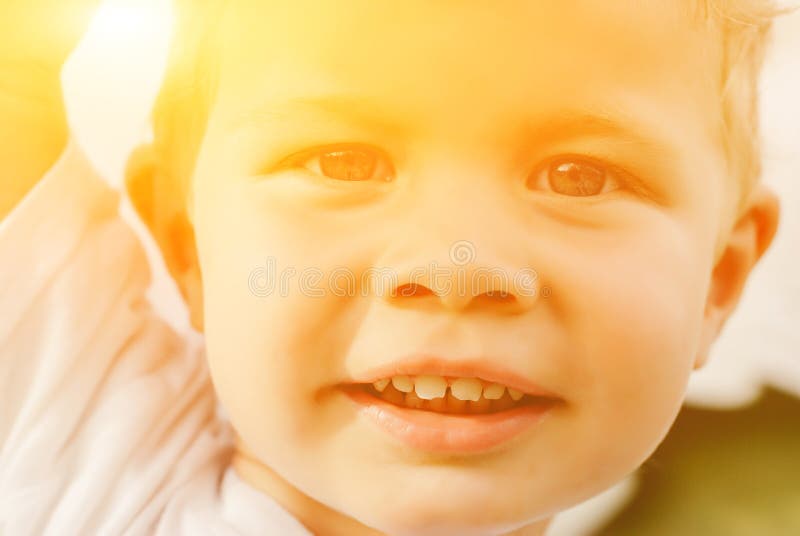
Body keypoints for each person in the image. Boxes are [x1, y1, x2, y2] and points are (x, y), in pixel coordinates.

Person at [0, 1, 785, 535]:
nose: (456, 268)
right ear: (185, 245)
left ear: (718, 280)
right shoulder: (91, 453)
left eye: (579, 176)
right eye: (342, 162)